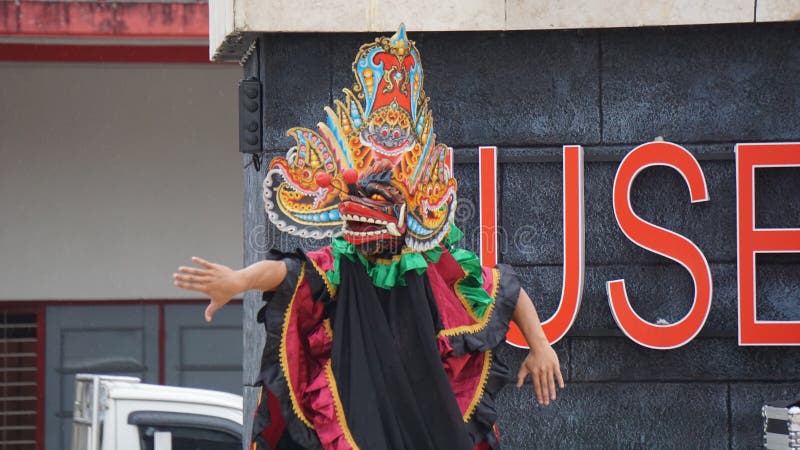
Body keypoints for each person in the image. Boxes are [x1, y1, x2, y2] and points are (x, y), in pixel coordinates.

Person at [174, 25, 563, 450]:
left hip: (426, 413)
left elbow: (503, 287)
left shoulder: (434, 261)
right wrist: (237, 281)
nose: (367, 229)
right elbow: (288, 272)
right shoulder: (343, 262)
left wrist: (540, 346)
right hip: (362, 408)